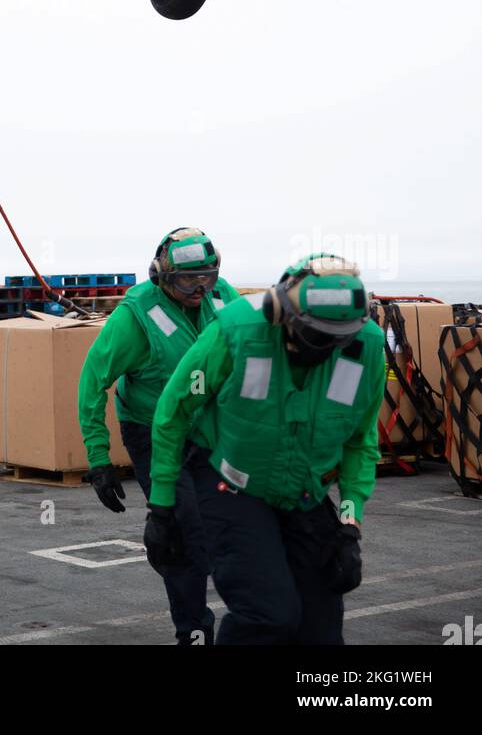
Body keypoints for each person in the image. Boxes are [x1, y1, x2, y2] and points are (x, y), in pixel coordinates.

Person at [144, 255, 386, 646]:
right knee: (269, 614)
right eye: (315, 335)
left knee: (320, 630)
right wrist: (162, 507)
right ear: (281, 313)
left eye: (336, 338)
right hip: (230, 483)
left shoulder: (367, 348)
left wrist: (348, 525)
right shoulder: (236, 331)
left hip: (306, 492)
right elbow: (173, 412)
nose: (325, 348)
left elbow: (360, 441)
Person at [78, 227, 239, 645]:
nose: (201, 287)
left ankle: (166, 538)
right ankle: (193, 633)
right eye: (189, 279)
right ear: (162, 277)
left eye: (208, 275)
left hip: (208, 431)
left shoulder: (223, 297)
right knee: (185, 537)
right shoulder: (134, 319)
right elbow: (93, 383)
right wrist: (99, 460)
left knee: (216, 529)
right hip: (153, 433)